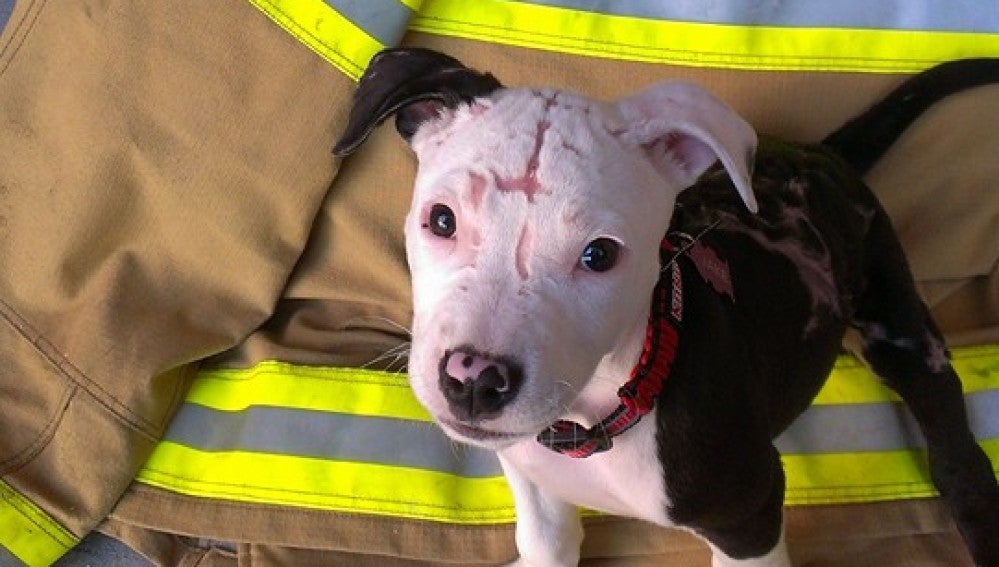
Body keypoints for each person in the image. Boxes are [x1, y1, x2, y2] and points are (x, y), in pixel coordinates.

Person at [2, 1, 997, 565]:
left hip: (831, 228)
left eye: (594, 255)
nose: (480, 354)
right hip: (685, 257)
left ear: (681, 164)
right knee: (530, 450)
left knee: (927, 380)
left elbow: (754, 530)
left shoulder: (692, 461)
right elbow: (531, 455)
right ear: (416, 148)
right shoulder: (529, 341)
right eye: (444, 223)